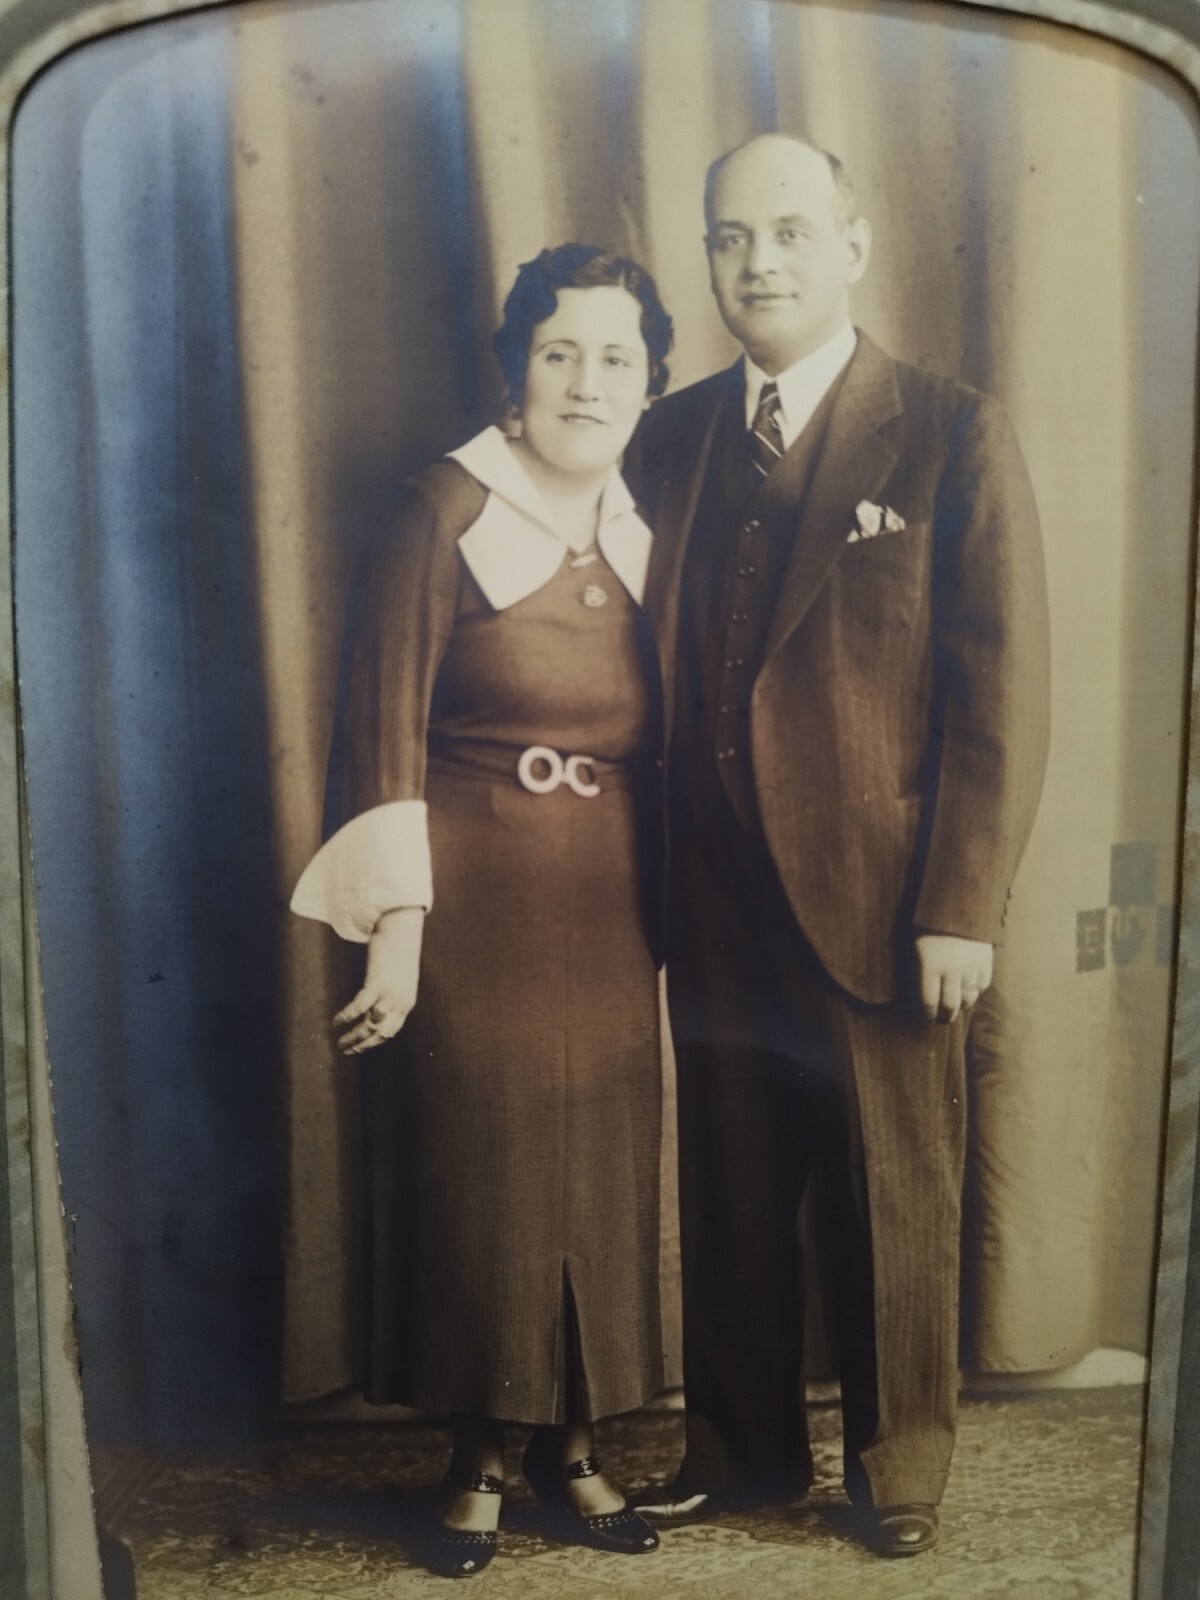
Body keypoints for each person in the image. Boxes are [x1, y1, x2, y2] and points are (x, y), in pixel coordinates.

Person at [624, 134, 1050, 1556]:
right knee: (736, 1191)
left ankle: (897, 1467)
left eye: (793, 233)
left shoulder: (948, 428)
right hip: (715, 894)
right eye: (734, 238)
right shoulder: (670, 434)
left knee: (891, 1191)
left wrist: (962, 906)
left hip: (883, 895)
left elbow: (1000, 696)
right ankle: (739, 1452)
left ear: (855, 247)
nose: (763, 264)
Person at [291, 244, 674, 1578]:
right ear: (515, 373)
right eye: (559, 351)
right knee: (489, 1160)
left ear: (650, 383)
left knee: (599, 1154)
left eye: (616, 357)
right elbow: (379, 722)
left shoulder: (647, 521)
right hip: (474, 884)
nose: (586, 380)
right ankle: (478, 1454)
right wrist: (397, 926)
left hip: (612, 889)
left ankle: (575, 1444)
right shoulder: (443, 508)